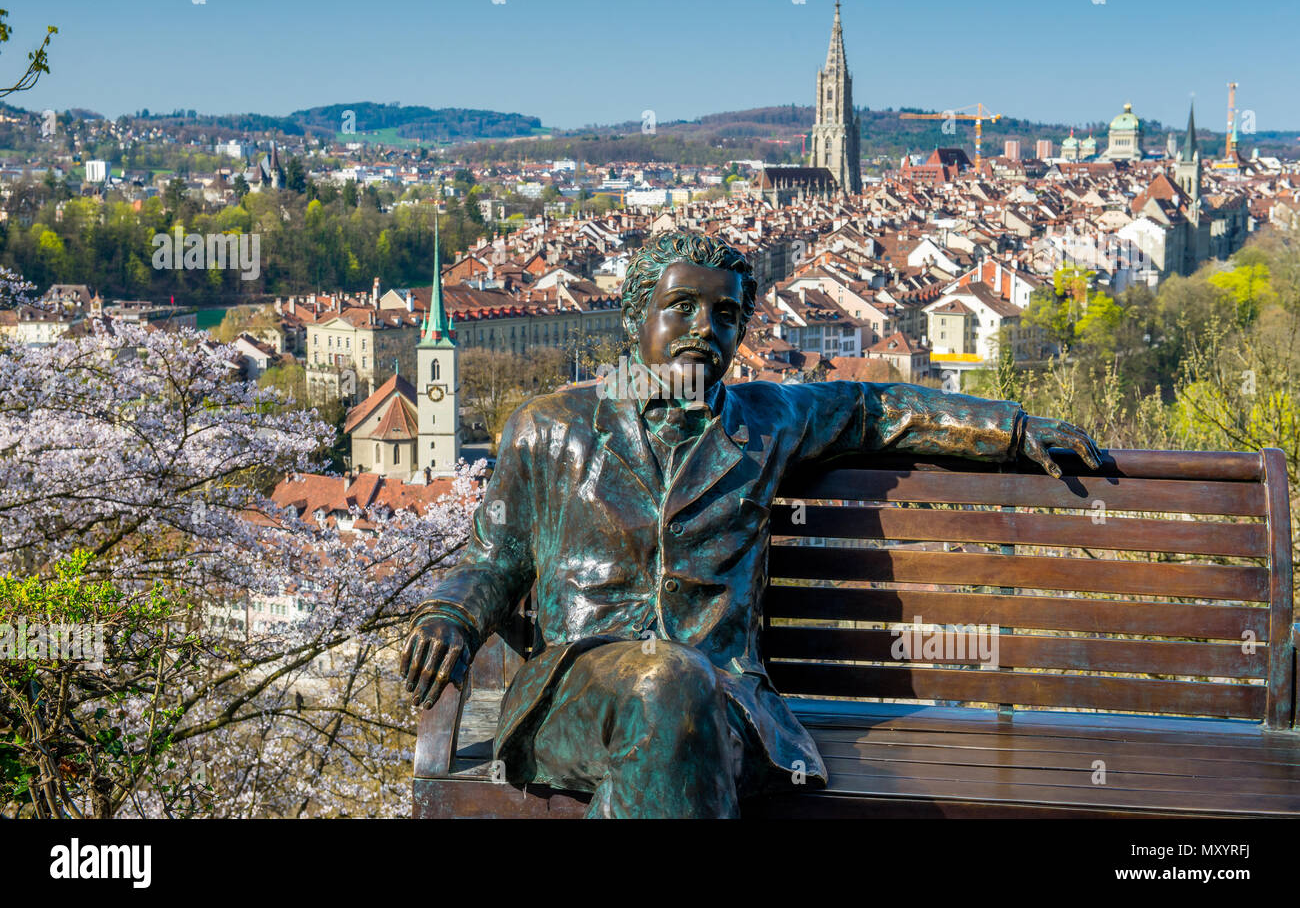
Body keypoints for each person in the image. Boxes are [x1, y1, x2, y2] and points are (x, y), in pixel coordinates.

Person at [400, 231, 1102, 817]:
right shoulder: (551, 426)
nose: (707, 329)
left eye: (726, 314)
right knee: (665, 687)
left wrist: (1007, 426)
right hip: (575, 694)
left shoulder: (765, 421)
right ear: (633, 319)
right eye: (682, 307)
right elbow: (494, 559)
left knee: (671, 714)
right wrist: (447, 615)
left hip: (726, 700)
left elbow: (878, 408)